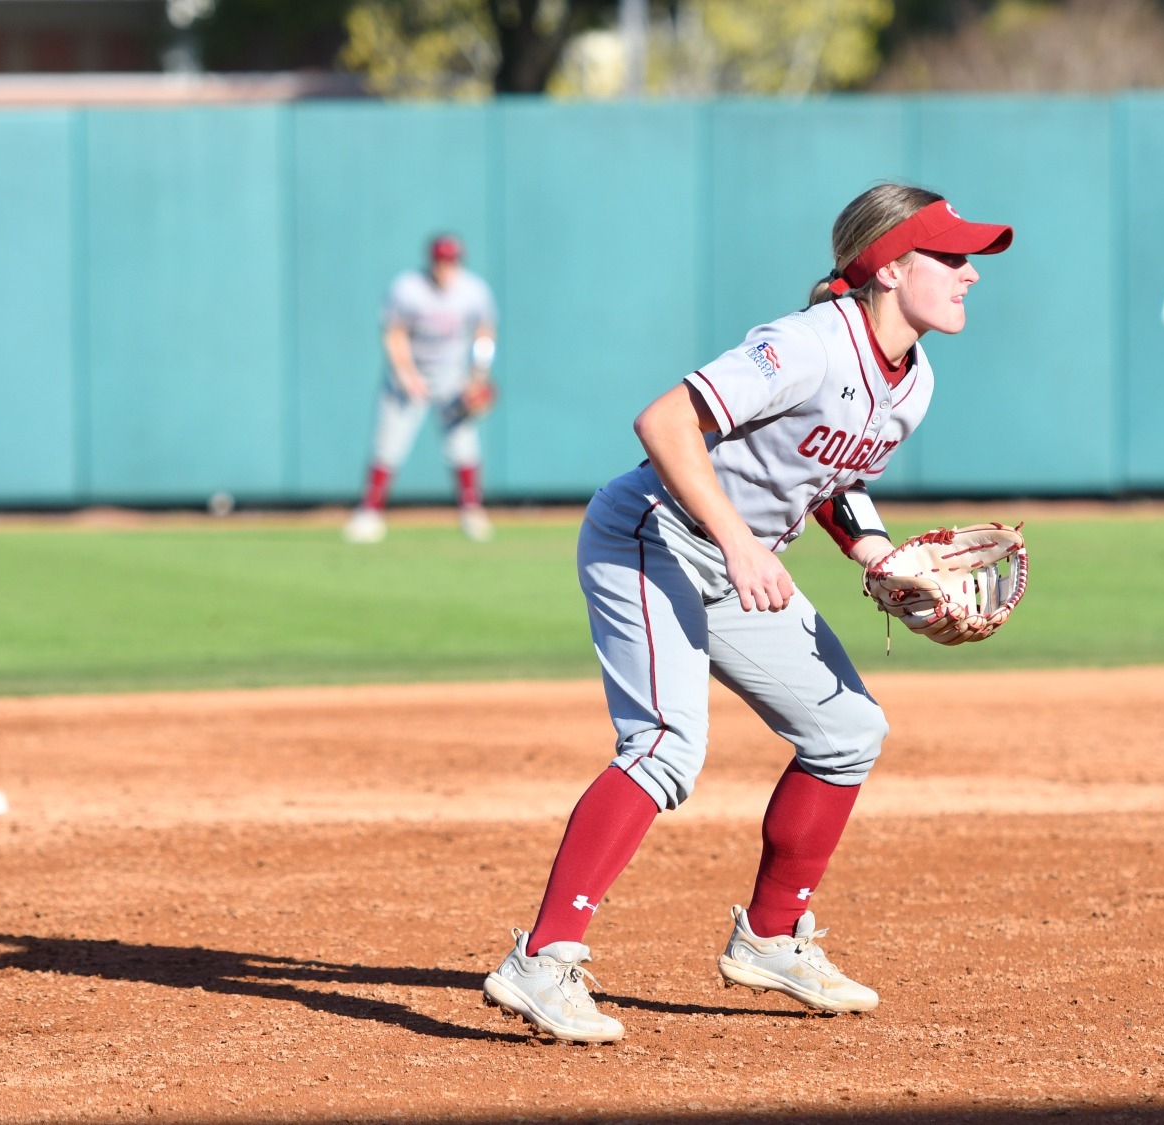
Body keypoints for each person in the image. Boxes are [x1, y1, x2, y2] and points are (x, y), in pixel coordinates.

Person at [480, 184, 1013, 1042]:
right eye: (951, 257)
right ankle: (540, 960)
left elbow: (830, 477)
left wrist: (874, 554)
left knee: (848, 732)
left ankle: (771, 935)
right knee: (665, 748)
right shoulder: (804, 345)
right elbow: (664, 421)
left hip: (738, 561)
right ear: (888, 266)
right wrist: (737, 540)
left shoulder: (913, 385)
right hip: (652, 535)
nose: (969, 275)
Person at [342, 233, 498, 544]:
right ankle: (370, 512)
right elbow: (394, 334)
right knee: (389, 444)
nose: (445, 267)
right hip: (410, 375)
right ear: (431, 260)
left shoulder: (473, 290)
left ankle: (471, 511)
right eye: (441, 260)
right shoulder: (408, 288)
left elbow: (484, 332)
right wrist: (406, 375)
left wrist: (478, 376)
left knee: (463, 446)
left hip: (452, 378)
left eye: (451, 260)